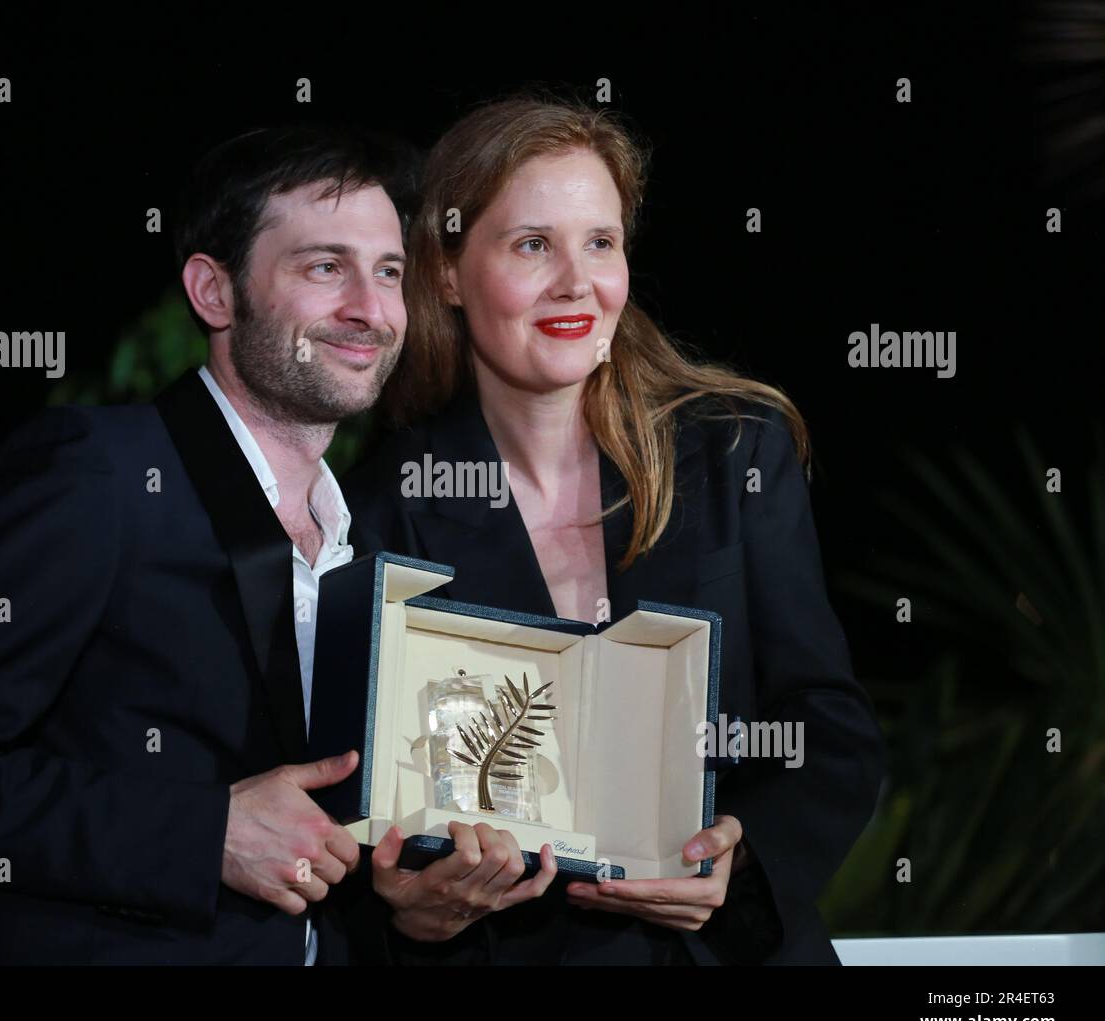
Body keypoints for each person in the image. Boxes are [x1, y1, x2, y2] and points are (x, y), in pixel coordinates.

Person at [0, 124, 552, 964]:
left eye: (389, 271)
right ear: (214, 293)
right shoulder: (98, 474)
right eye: (325, 267)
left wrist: (411, 905)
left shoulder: (371, 537)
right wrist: (203, 832)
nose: (370, 307)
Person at [344, 93, 887, 965]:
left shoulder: (733, 451)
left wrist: (741, 852)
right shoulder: (378, 512)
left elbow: (829, 726)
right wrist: (412, 911)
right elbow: (367, 818)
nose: (575, 281)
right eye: (532, 245)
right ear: (446, 273)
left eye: (600, 242)